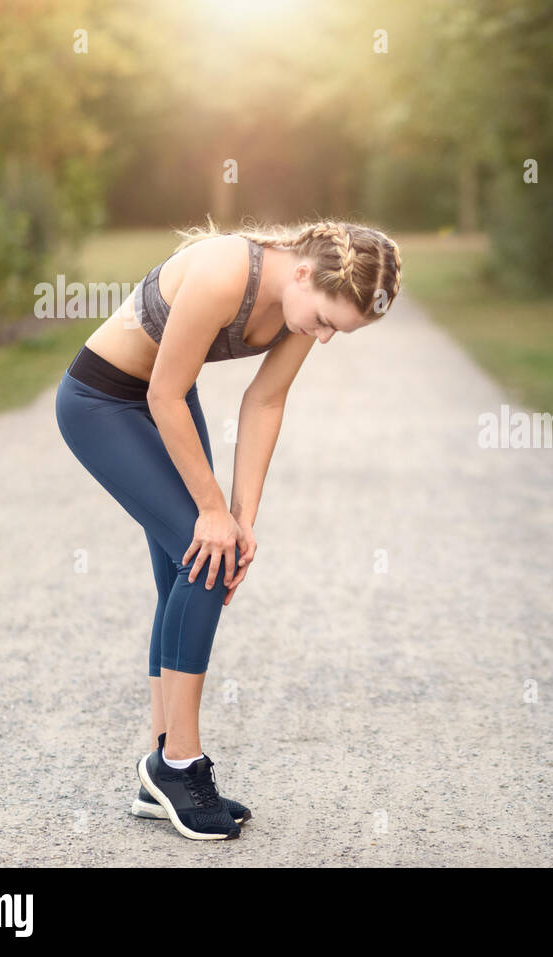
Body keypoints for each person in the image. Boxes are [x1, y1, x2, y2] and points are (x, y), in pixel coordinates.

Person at [54, 219, 402, 840]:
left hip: (166, 404)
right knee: (204, 563)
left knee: (203, 564)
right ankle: (180, 763)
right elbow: (162, 391)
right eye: (323, 320)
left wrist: (241, 522)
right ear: (302, 272)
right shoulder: (224, 271)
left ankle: (157, 776)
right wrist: (214, 516)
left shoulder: (300, 306)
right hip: (106, 404)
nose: (320, 337)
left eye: (335, 332)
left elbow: (265, 401)